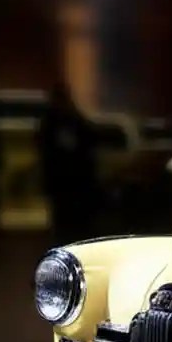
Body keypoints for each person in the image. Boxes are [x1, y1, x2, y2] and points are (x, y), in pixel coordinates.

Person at [37, 82, 98, 246]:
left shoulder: (59, 121)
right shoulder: (62, 121)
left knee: (68, 222)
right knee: (67, 221)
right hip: (67, 182)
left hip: (69, 182)